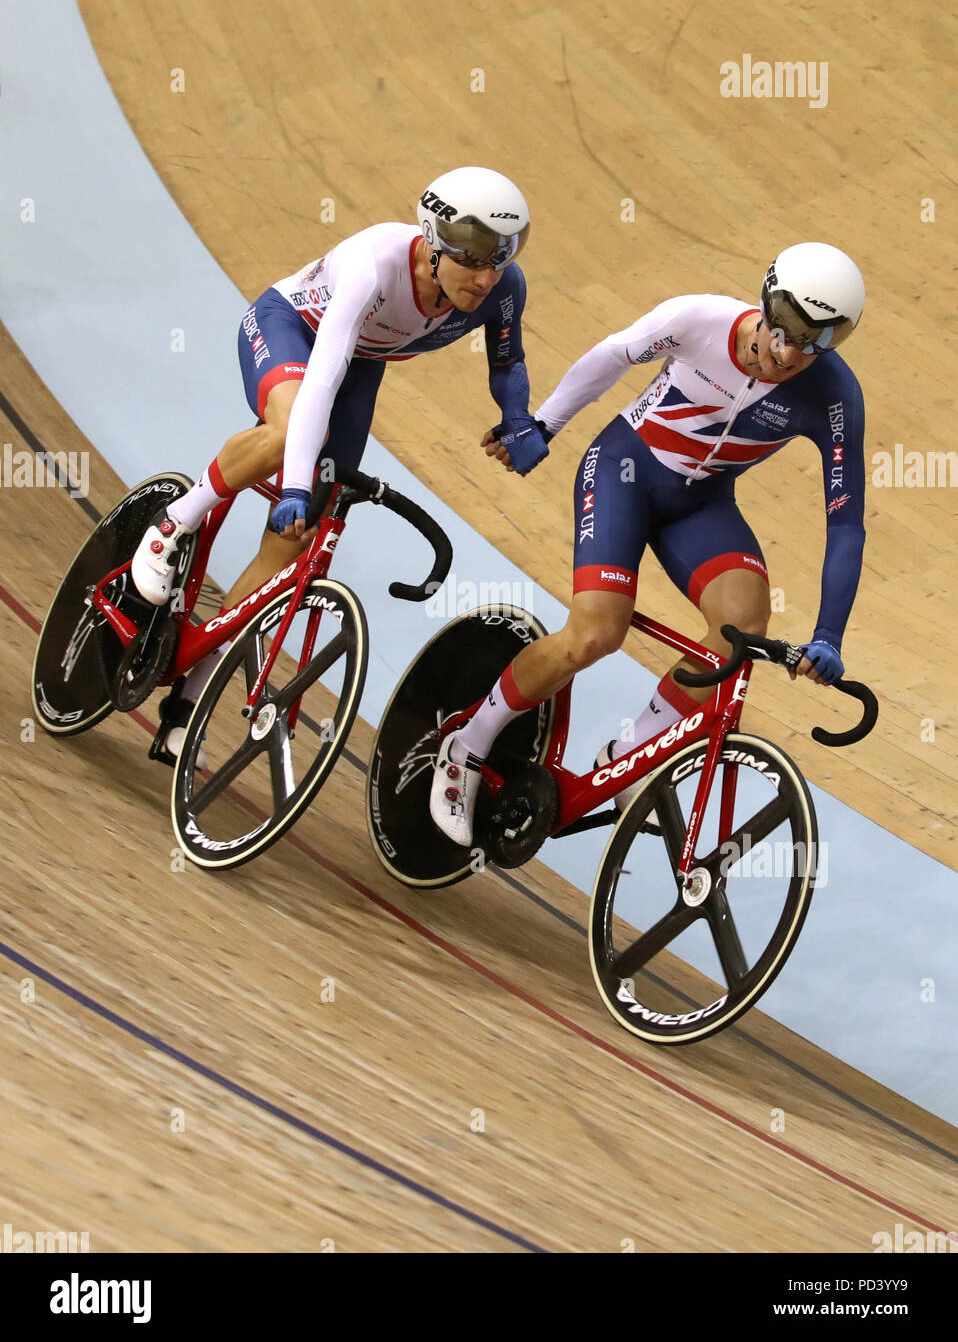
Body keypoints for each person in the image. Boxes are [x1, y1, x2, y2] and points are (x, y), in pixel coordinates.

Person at [430, 241, 867, 846]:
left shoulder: (835, 395)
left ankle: (632, 752)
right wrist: (545, 424)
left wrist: (829, 634)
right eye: (787, 330)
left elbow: (845, 521)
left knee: (742, 629)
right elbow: (612, 356)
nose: (792, 353)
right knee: (596, 634)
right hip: (623, 474)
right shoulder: (698, 320)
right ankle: (467, 743)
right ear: (767, 301)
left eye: (816, 342)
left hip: (703, 505)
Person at [129, 167, 547, 758]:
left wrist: (519, 418)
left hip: (361, 365)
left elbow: (507, 362)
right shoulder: (374, 267)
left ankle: (190, 696)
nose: (485, 278)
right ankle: (175, 521)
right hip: (291, 328)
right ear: (432, 243)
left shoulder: (504, 287)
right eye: (472, 260)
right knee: (293, 429)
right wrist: (295, 483)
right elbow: (321, 380)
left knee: (293, 546)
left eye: (499, 259)